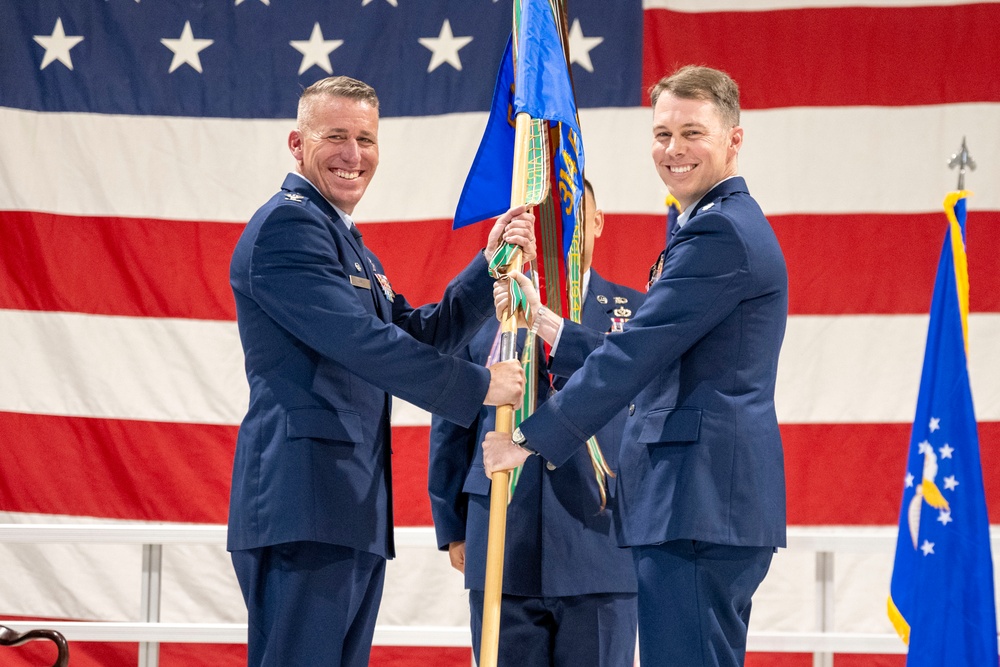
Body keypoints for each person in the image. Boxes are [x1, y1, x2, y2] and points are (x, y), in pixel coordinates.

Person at [484, 65, 789, 667]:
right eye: (662, 133)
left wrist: (527, 439)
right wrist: (547, 322)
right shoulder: (705, 224)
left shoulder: (720, 233)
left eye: (692, 133)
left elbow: (635, 354)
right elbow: (653, 352)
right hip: (695, 501)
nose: (673, 150)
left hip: (697, 500)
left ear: (734, 139)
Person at [227, 75, 534, 667]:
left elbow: (415, 333)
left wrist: (488, 266)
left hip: (345, 504)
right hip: (305, 502)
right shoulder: (288, 229)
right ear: (296, 142)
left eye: (366, 139)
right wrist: (478, 387)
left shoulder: (343, 241)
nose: (353, 154)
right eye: (335, 136)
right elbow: (365, 345)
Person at [427, 180, 643, 666]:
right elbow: (451, 421)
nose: (560, 233)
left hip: (601, 540)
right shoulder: (487, 312)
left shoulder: (639, 316)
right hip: (503, 532)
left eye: (571, 218)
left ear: (597, 223)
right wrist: (453, 524)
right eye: (547, 222)